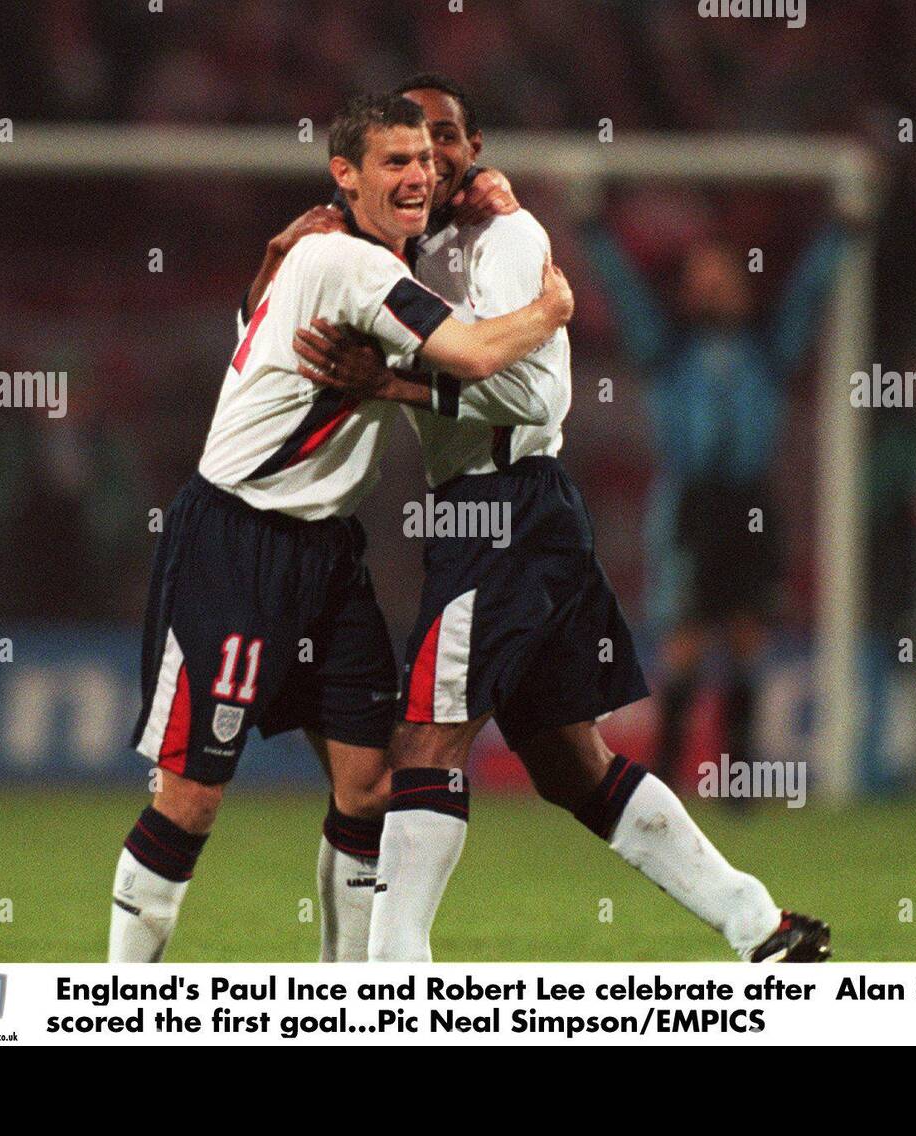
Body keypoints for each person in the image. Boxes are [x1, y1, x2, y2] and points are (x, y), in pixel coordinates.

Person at [292, 75, 831, 964]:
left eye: (445, 139)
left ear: (475, 150)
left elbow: (533, 391)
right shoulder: (401, 248)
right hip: (504, 512)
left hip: (504, 504)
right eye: (412, 144)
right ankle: (757, 923)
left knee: (428, 733)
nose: (429, 158)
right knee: (569, 763)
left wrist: (389, 381)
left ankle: (388, 976)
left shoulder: (507, 237)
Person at [108, 92, 574, 964]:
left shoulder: (354, 259)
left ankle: (342, 995)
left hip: (327, 554)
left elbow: (255, 325)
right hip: (238, 544)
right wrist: (551, 312)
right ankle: (117, 997)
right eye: (394, 162)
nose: (417, 176)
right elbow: (474, 356)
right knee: (192, 798)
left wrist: (494, 203)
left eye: (427, 161)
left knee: (371, 788)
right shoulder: (346, 264)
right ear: (344, 176)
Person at [580, 207, 851, 793]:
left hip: (752, 504)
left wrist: (838, 232)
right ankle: (667, 784)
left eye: (722, 275)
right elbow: (624, 294)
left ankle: (742, 782)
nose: (712, 286)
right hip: (692, 505)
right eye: (701, 278)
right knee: (684, 640)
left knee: (750, 637)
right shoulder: (667, 349)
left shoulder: (768, 346)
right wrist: (595, 232)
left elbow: (810, 293)